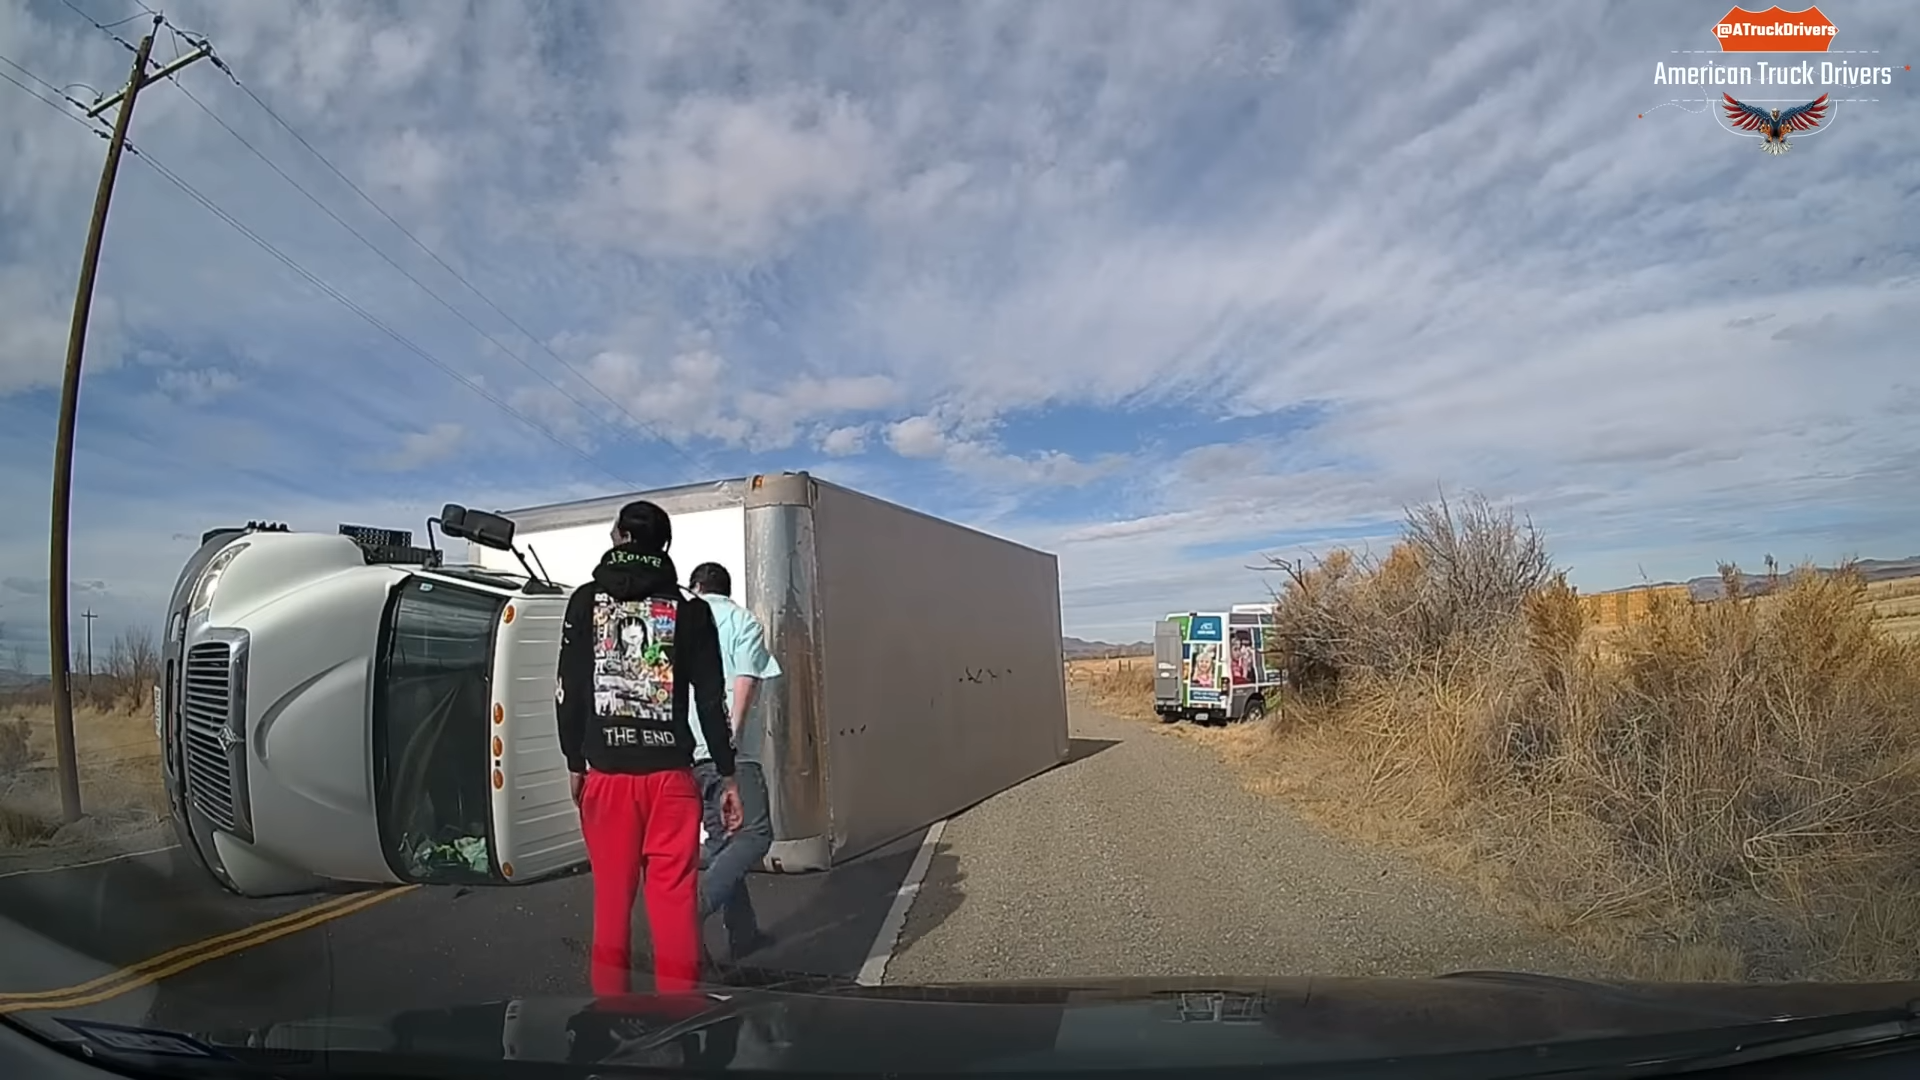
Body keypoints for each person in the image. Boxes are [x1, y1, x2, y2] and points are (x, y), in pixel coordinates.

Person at [557, 500, 742, 996]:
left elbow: (569, 691)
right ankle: (683, 1020)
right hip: (671, 780)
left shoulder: (585, 602)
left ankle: (607, 1021)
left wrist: (575, 762)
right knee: (674, 905)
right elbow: (710, 701)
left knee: (612, 905)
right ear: (665, 546)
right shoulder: (692, 610)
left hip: (608, 776)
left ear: (617, 537)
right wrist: (727, 774)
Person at [686, 561, 783, 962]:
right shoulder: (743, 622)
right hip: (730, 752)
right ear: (726, 589)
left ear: (697, 587)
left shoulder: (682, 622)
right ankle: (693, 909)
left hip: (690, 750)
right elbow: (746, 678)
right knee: (754, 835)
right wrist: (731, 737)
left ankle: (743, 934)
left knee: (725, 840)